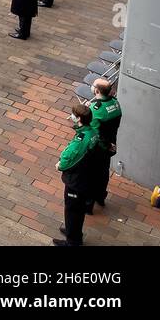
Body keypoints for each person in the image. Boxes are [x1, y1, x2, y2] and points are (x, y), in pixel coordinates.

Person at [54, 101, 97, 247]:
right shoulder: (91, 132)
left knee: (73, 210)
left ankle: (73, 241)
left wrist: (60, 165)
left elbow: (67, 158)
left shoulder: (80, 140)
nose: (72, 116)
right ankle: (73, 232)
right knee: (77, 210)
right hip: (85, 178)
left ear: (79, 119)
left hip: (76, 182)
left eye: (74, 114)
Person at [88, 78, 122, 210]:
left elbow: (93, 132)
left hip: (97, 148)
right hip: (110, 145)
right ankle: (100, 197)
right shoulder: (116, 103)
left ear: (96, 90)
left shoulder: (95, 109)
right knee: (103, 173)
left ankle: (88, 205)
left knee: (90, 176)